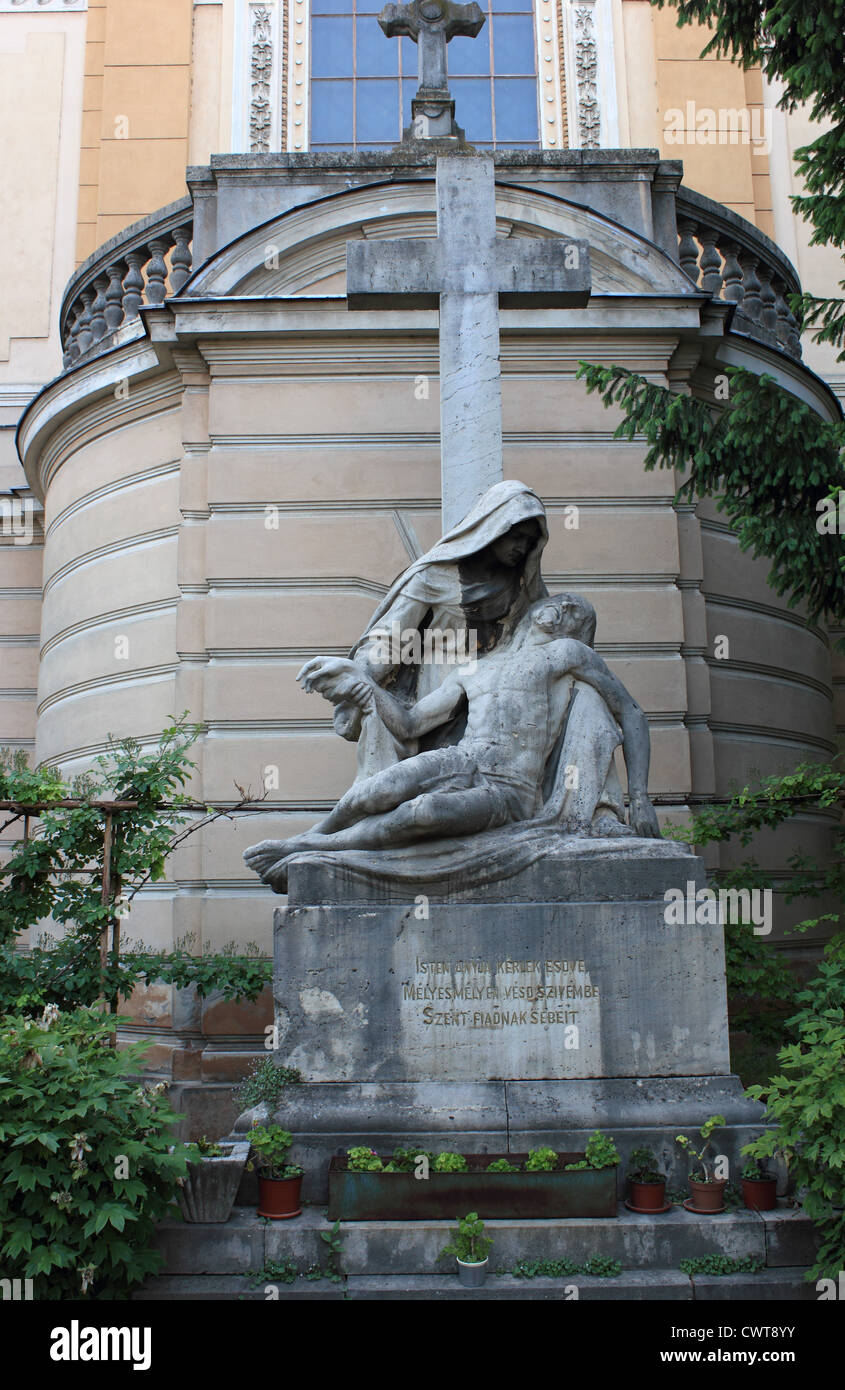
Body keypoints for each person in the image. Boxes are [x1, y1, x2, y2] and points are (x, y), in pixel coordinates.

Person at [244, 594, 661, 885]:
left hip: (508, 788)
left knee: (423, 812)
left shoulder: (566, 654)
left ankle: (320, 851)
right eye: (563, 600)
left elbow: (631, 712)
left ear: (578, 631)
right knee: (378, 789)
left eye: (577, 612)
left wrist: (639, 797)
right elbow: (409, 725)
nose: (565, 607)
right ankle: (307, 840)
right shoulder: (474, 668)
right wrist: (362, 682)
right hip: (460, 759)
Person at [335, 479, 548, 776]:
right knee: (438, 775)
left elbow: (543, 639)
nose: (521, 547)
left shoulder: (525, 585)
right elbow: (392, 639)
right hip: (439, 685)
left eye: (529, 540)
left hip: (494, 691)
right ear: (495, 525)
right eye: (516, 536)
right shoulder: (433, 575)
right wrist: (362, 676)